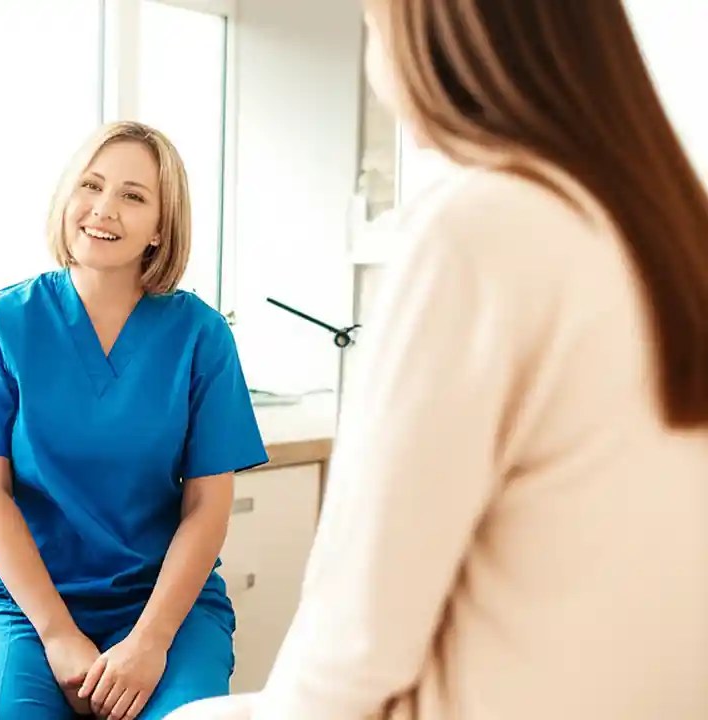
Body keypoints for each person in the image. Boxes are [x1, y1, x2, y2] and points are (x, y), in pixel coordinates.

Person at [170, 1, 708, 719]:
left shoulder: (478, 228)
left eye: (373, 25)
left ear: (433, 34)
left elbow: (353, 656)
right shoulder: (669, 241)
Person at [0, 120, 269, 719]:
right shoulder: (4, 323)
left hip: (163, 604)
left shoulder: (201, 337)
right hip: (23, 603)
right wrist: (58, 635)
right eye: (91, 185)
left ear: (161, 228)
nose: (103, 209)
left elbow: (207, 508)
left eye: (133, 196)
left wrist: (151, 641)